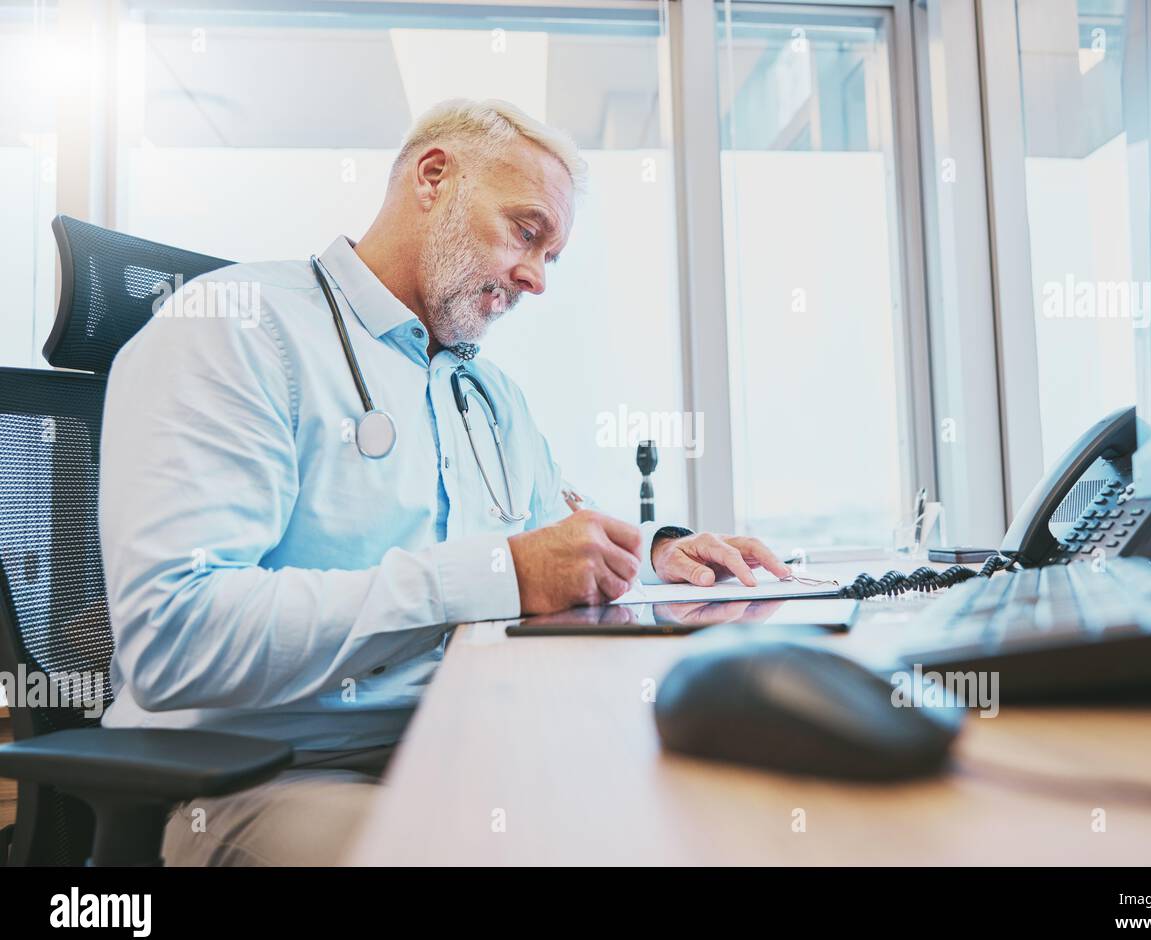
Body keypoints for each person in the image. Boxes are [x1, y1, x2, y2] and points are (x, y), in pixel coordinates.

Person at [97, 98, 788, 865]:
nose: (536, 278)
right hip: (274, 774)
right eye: (527, 232)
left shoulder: (483, 391)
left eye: (552, 257)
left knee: (701, 812)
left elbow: (554, 517)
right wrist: (497, 574)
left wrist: (660, 548)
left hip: (465, 742)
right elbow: (174, 633)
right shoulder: (237, 332)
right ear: (433, 177)